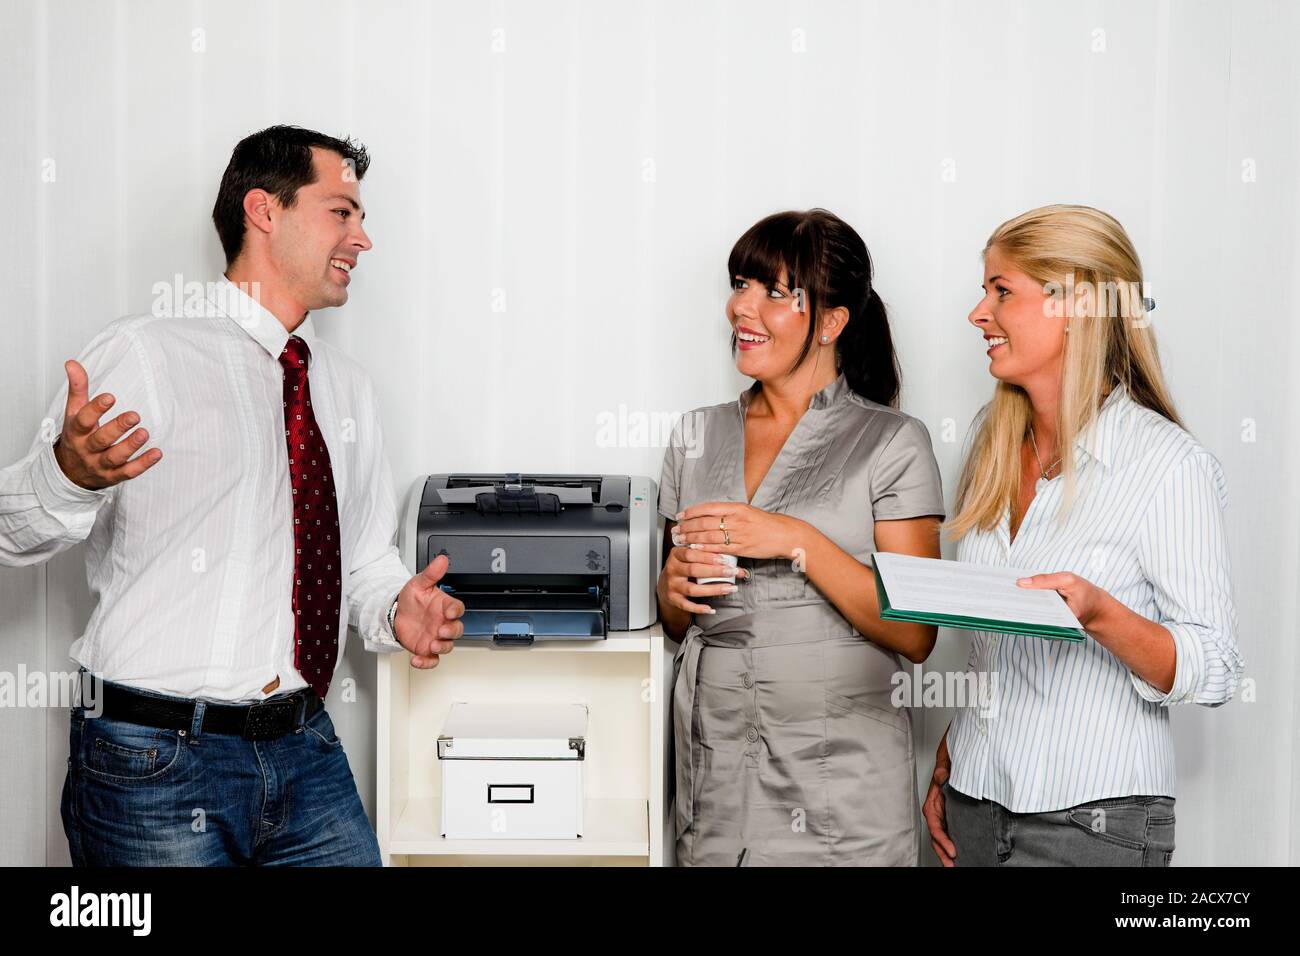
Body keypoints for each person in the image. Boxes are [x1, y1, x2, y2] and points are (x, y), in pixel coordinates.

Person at [0, 125, 464, 865]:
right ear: (264, 210)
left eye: (363, 218)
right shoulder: (145, 354)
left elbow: (362, 559)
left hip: (304, 749)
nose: (363, 239)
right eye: (342, 212)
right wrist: (68, 474)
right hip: (152, 763)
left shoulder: (345, 390)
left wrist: (393, 607)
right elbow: (11, 534)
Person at [922, 204, 1245, 867]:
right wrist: (952, 756)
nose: (977, 314)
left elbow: (1217, 668)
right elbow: (994, 648)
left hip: (1093, 827)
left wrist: (1103, 616)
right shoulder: (990, 441)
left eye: (1001, 291)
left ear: (1076, 305)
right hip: (976, 803)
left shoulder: (1167, 466)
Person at [658, 208, 945, 866]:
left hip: (843, 797)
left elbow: (917, 634)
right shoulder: (695, 436)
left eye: (772, 292)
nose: (741, 307)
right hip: (717, 780)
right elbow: (676, 618)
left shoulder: (892, 443)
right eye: (739, 284)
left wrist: (795, 539)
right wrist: (672, 589)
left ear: (833, 321)